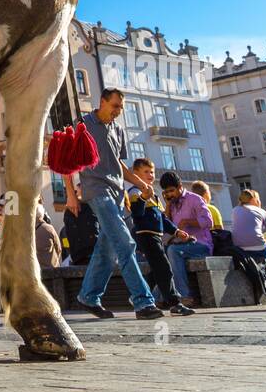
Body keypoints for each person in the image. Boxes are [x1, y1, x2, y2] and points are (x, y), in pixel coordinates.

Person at [67, 88, 163, 320]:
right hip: (96, 191)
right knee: (124, 242)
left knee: (107, 250)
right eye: (115, 106)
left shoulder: (117, 130)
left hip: (117, 194)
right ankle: (143, 301)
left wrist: (139, 183)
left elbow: (118, 164)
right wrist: (70, 194)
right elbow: (67, 160)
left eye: (121, 107)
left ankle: (89, 296)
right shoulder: (82, 124)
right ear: (102, 102)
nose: (118, 111)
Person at [128, 158, 195, 315]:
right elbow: (136, 214)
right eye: (146, 172)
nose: (150, 174)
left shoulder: (154, 193)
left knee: (155, 270)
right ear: (135, 174)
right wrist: (143, 198)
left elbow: (162, 218)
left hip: (155, 236)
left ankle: (138, 296)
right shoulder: (135, 191)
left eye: (151, 171)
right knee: (164, 268)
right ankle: (174, 303)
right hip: (145, 235)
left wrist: (176, 231)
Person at [159, 172, 213, 307]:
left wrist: (188, 222)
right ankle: (161, 296)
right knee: (160, 256)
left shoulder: (195, 199)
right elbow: (166, 227)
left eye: (171, 191)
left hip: (201, 245)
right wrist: (167, 207)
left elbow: (208, 221)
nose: (169, 195)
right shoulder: (171, 204)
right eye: (166, 192)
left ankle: (184, 296)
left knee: (172, 251)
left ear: (180, 187)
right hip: (181, 246)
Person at [61, 178, 99, 266]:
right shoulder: (92, 206)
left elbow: (66, 240)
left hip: (78, 256)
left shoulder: (69, 212)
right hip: (91, 254)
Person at [35, 200, 62, 270]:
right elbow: (58, 248)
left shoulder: (28, 232)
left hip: (37, 271)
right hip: (52, 269)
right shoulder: (49, 228)